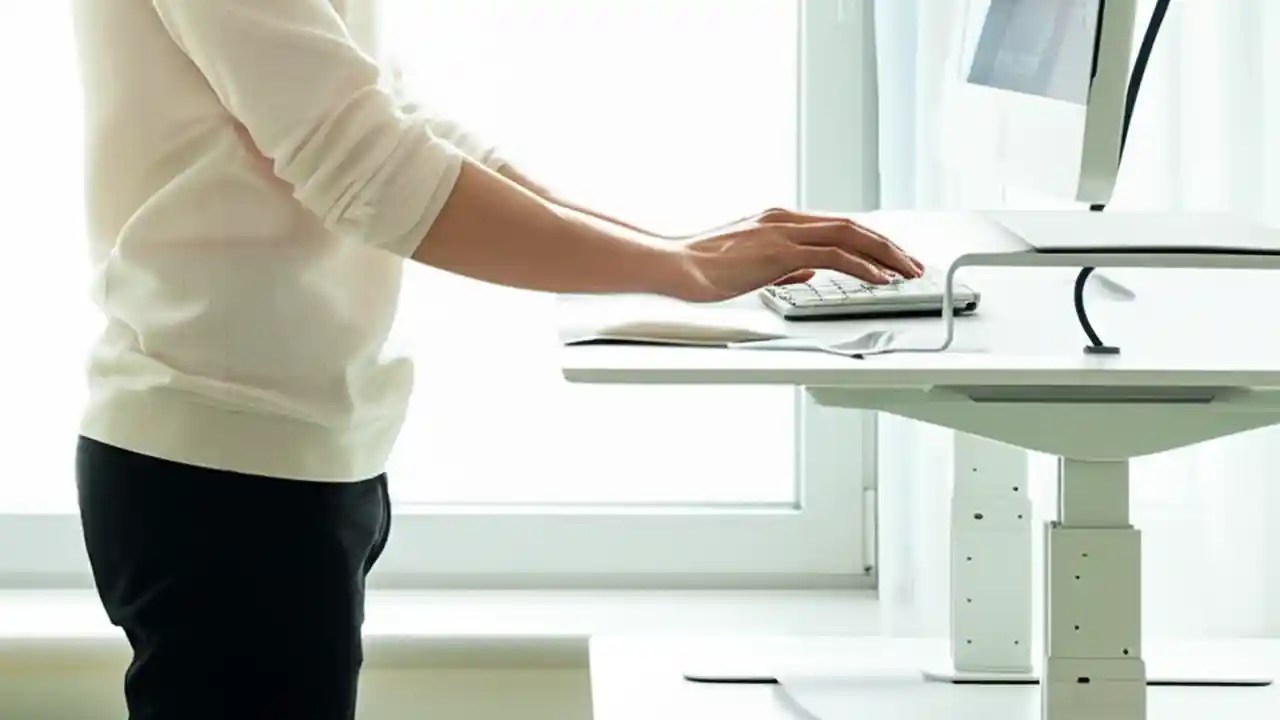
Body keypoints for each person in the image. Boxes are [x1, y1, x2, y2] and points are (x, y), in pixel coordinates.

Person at [70, 1, 923, 718]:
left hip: (291, 454)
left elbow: (393, 119)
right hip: (221, 465)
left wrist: (673, 247)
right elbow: (364, 165)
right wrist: (677, 269)